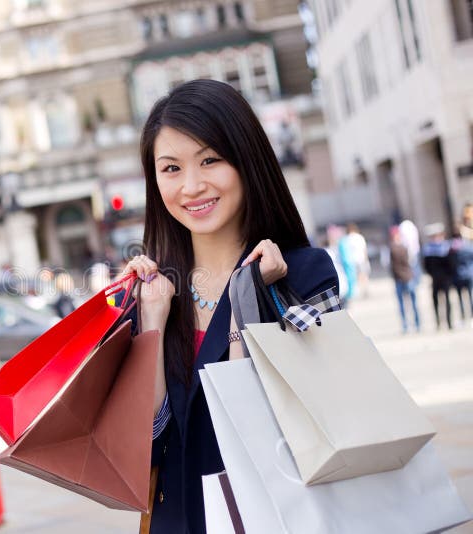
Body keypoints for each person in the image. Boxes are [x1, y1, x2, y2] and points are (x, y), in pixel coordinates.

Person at [119, 80, 339, 534]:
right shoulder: (153, 289)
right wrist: (152, 323)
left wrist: (248, 305)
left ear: (246, 160)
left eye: (210, 160)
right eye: (171, 168)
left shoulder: (303, 275)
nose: (192, 186)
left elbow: (272, 428)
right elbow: (148, 443)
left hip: (274, 518)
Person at [422, 223, 454, 330]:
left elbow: (451, 265)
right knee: (435, 301)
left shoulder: (446, 248)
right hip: (435, 279)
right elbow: (426, 266)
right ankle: (438, 322)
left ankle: (449, 322)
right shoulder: (428, 250)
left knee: (447, 300)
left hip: (445, 279)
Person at [389, 226, 420, 333]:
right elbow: (410, 262)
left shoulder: (392, 249)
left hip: (400, 278)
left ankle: (406, 325)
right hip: (407, 277)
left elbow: (392, 266)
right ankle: (417, 324)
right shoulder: (404, 247)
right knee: (413, 302)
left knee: (403, 304)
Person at [450, 227, 473, 323]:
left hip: (457, 275)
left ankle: (463, 316)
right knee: (470, 296)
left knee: (460, 297)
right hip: (468, 273)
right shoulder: (468, 246)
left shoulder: (451, 247)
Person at [345, 223, 371, 298]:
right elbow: (364, 249)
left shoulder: (347, 238)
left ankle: (359, 290)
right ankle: (365, 289)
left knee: (357, 276)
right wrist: (366, 259)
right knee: (364, 274)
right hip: (361, 258)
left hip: (353, 260)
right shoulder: (360, 237)